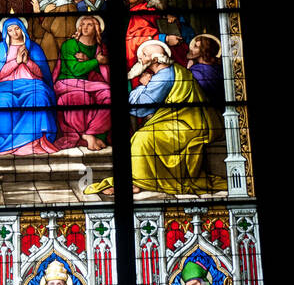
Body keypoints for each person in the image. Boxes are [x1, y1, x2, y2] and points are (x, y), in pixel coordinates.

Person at [84, 39, 227, 198]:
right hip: (185, 120)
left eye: (144, 55)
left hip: (189, 124)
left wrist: (144, 86)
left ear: (155, 60)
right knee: (143, 137)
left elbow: (139, 107)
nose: (140, 59)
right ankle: (137, 180)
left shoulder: (163, 77)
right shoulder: (167, 72)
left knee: (143, 138)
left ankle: (138, 183)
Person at [0, 17, 59, 155]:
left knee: (39, 98)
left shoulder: (34, 48)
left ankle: (35, 142)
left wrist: (27, 62)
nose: (14, 33)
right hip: (5, 87)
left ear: (22, 29)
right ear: (6, 33)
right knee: (1, 102)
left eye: (17, 29)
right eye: (10, 30)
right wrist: (16, 62)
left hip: (33, 84)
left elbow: (41, 74)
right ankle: (5, 143)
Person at [53, 14, 111, 151]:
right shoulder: (70, 44)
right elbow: (75, 70)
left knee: (108, 95)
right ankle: (84, 136)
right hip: (67, 83)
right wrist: (96, 61)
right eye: (83, 24)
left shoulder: (100, 48)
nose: (85, 27)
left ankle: (92, 133)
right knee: (80, 97)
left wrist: (92, 61)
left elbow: (103, 71)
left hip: (93, 83)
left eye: (89, 24)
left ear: (97, 28)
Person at [148, 0, 195, 67]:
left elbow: (188, 33)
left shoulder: (175, 12)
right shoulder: (146, 10)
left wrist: (177, 23)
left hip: (175, 49)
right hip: (154, 49)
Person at [186, 34, 225, 111]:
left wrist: (188, 70)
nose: (191, 48)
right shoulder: (217, 68)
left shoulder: (196, 73)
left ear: (204, 51)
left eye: (196, 47)